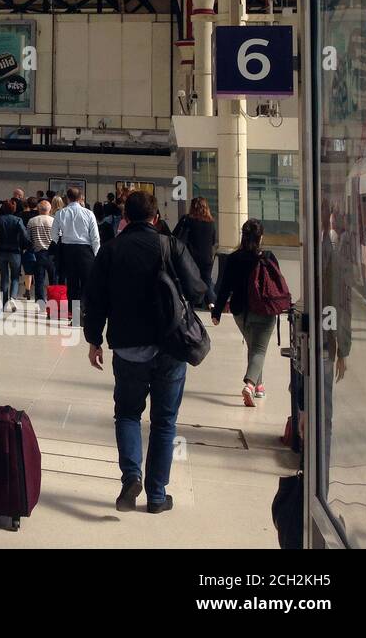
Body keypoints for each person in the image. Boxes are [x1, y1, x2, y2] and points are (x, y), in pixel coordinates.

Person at [84, 191, 207, 514]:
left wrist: (94, 339)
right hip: (170, 346)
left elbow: (94, 300)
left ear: (125, 217)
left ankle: (131, 476)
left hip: (127, 348)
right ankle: (156, 495)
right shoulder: (171, 245)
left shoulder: (111, 251)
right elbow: (197, 289)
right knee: (164, 422)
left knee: (127, 414)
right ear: (155, 217)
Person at [211, 219, 282, 407]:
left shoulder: (234, 258)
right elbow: (277, 284)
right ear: (261, 237)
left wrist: (216, 312)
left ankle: (259, 386)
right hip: (264, 311)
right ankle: (250, 385)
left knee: (254, 347)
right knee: (259, 349)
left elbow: (224, 286)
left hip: (241, 312)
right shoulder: (267, 257)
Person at [52, 186, 99, 323]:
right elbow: (95, 237)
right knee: (86, 283)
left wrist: (59, 245)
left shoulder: (60, 213)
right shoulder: (89, 214)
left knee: (72, 284)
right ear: (80, 198)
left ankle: (76, 315)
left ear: (67, 198)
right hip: (85, 251)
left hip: (68, 251)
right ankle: (84, 311)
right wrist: (96, 255)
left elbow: (54, 235)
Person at [0, 198, 30, 311]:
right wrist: (25, 245)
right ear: (14, 209)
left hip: (0, 252)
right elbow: (25, 235)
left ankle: (5, 302)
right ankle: (13, 298)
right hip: (15, 252)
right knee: (15, 277)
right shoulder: (18, 220)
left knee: (4, 277)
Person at [174, 197, 217, 307]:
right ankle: (211, 303)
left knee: (189, 280)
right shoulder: (211, 223)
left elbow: (175, 236)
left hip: (191, 258)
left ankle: (191, 304)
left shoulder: (187, 220)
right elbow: (213, 241)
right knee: (206, 281)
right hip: (207, 258)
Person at [26, 198, 56, 304]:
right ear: (50, 209)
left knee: (39, 280)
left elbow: (28, 237)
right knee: (53, 279)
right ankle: (53, 300)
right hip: (52, 254)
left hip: (38, 253)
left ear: (39, 209)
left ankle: (40, 302)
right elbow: (58, 237)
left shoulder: (32, 221)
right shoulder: (54, 221)